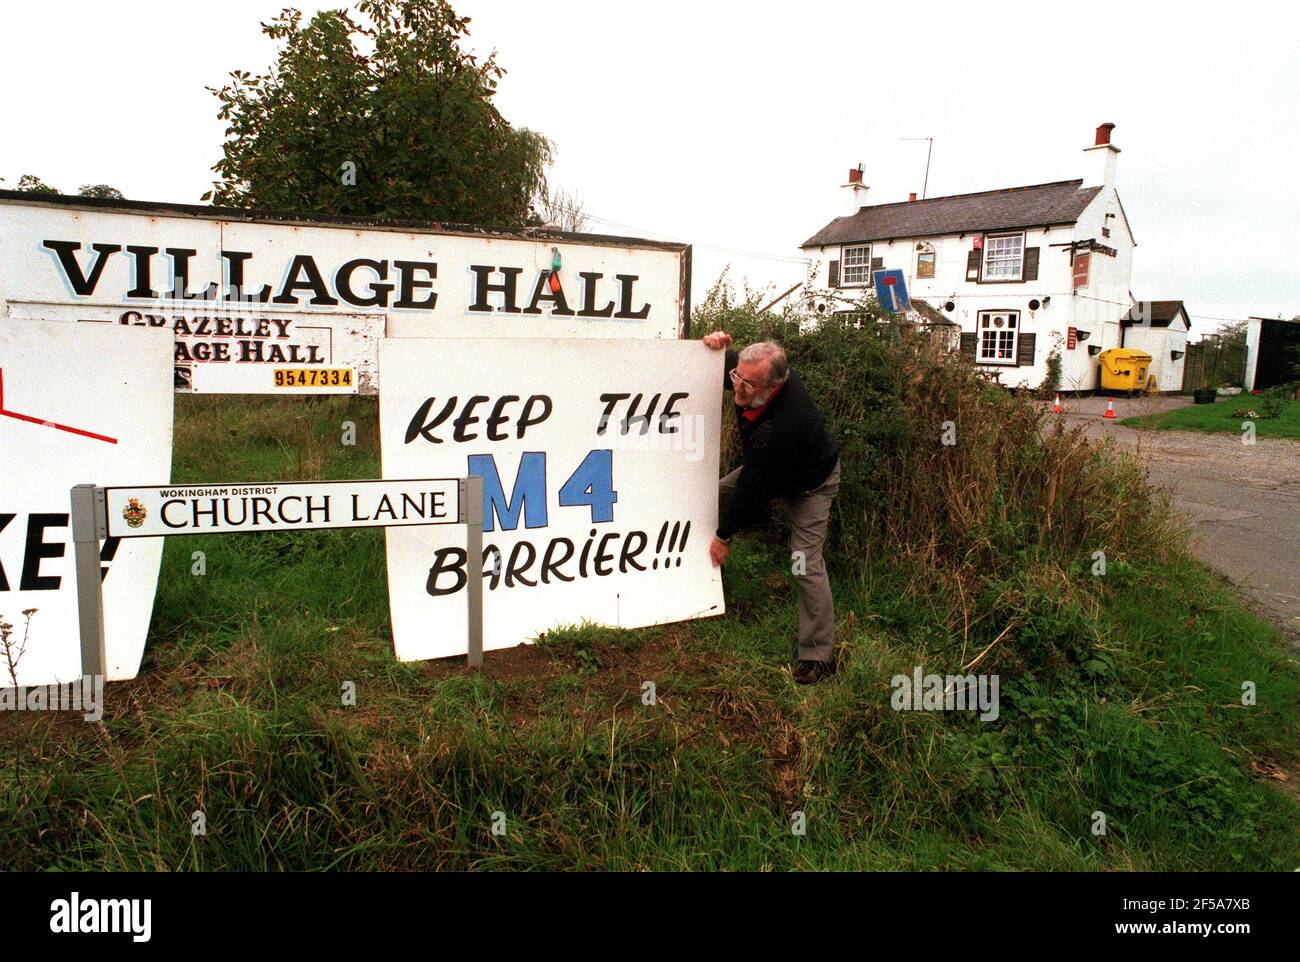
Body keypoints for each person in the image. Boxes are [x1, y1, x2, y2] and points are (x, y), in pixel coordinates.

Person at [702, 331, 841, 685]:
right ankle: (702, 582)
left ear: (775, 385)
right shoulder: (746, 373)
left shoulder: (787, 424)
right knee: (713, 494)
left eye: (749, 385)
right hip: (768, 466)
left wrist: (724, 535)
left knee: (805, 563)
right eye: (738, 377)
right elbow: (719, 366)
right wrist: (717, 348)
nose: (739, 388)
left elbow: (754, 485)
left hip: (810, 483)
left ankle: (818, 656)